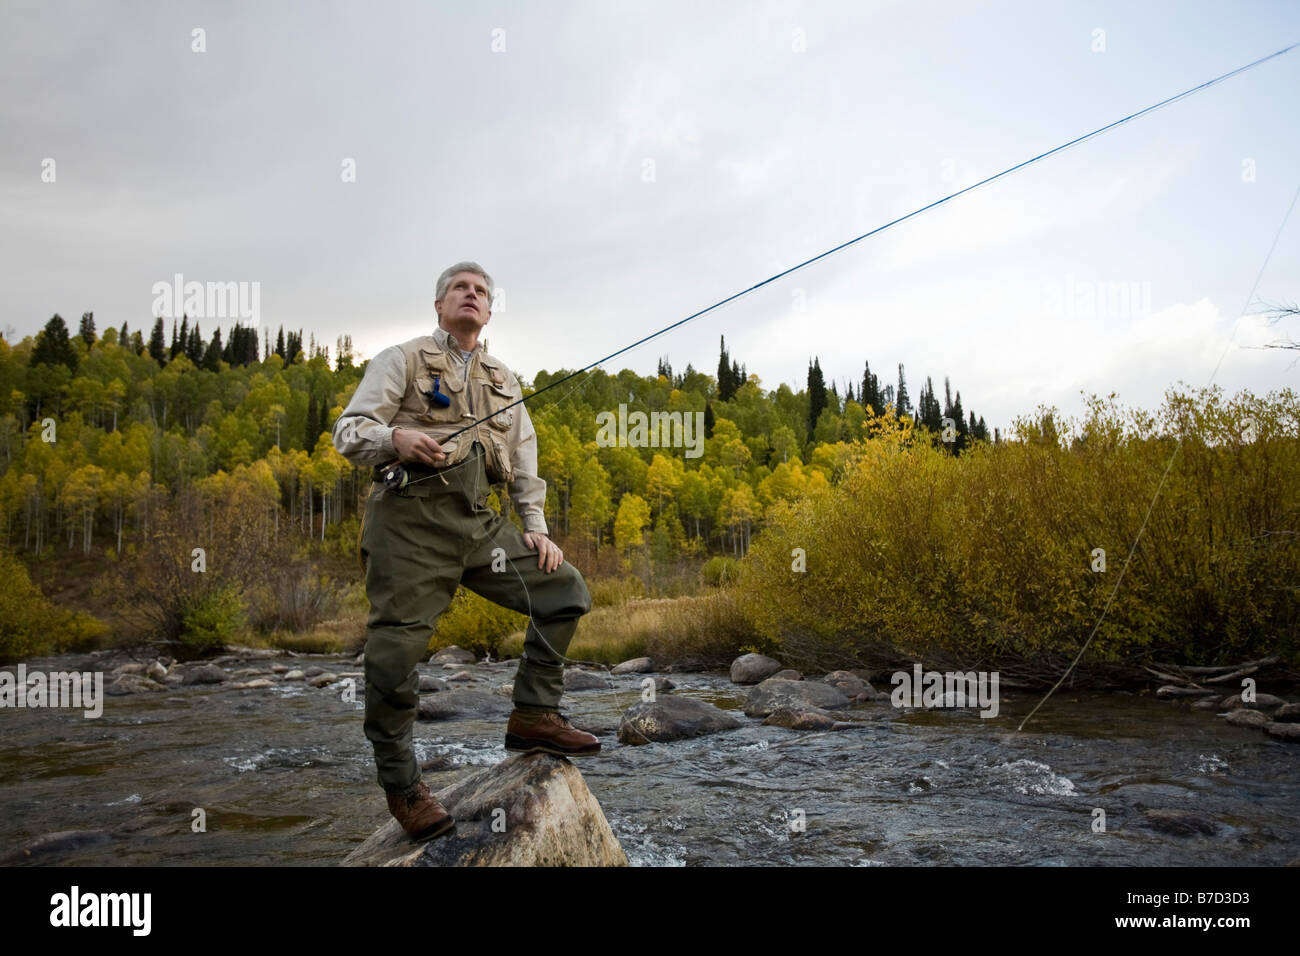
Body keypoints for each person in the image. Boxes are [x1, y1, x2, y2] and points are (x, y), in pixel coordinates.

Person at [331, 261, 600, 842]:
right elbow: (348, 431)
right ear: (439, 305)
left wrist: (538, 528)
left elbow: (525, 465)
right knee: (393, 662)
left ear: (490, 309)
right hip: (409, 525)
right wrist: (394, 437)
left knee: (565, 591)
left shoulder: (506, 378)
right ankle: (404, 789)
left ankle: (533, 716)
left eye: (481, 291)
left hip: (481, 527)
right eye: (461, 288)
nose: (471, 296)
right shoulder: (400, 359)